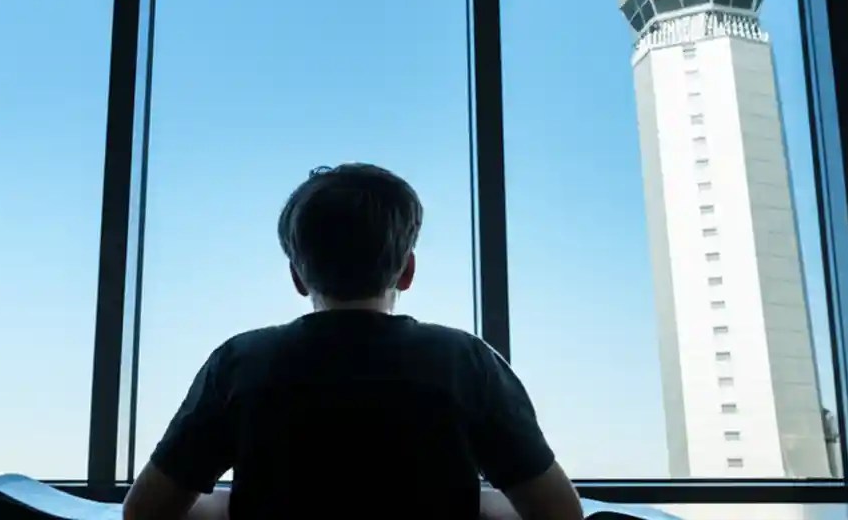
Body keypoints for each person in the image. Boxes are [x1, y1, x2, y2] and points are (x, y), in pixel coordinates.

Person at [123, 163, 585, 520]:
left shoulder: (240, 363)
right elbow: (560, 513)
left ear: (298, 276)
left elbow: (144, 511)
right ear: (407, 270)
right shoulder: (465, 362)